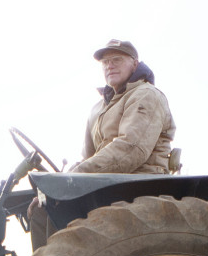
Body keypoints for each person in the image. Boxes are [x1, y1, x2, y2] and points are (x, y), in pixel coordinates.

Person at [73, 39, 177, 174]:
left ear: (135, 64)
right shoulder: (97, 108)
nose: (109, 66)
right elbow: (87, 158)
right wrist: (62, 178)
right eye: (105, 62)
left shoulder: (146, 95)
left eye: (116, 60)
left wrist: (77, 174)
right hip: (103, 184)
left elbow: (131, 150)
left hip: (142, 185)